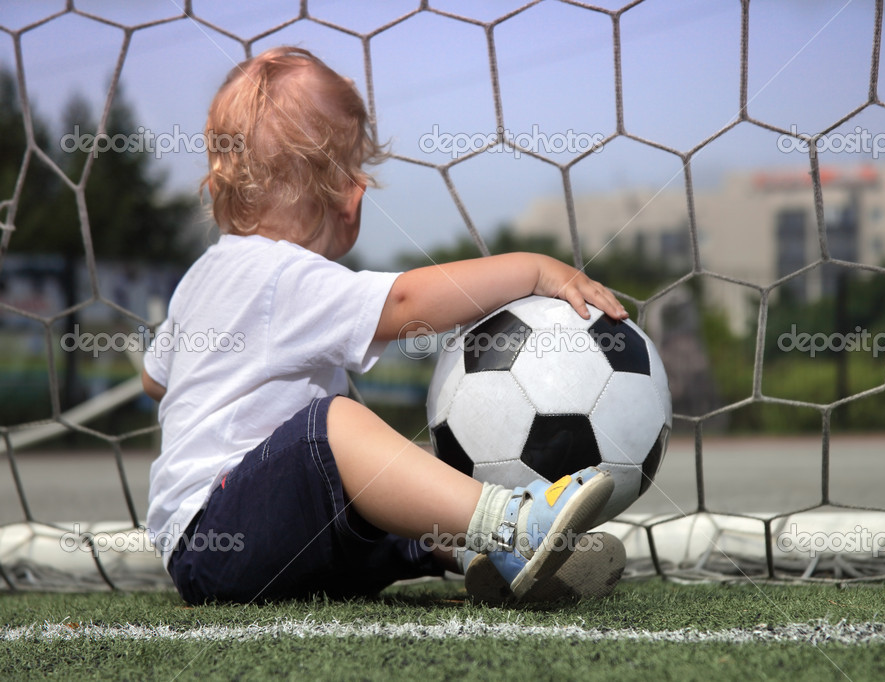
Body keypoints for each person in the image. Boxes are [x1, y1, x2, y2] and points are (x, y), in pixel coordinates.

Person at [142, 46, 627, 605]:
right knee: (335, 426)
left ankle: (487, 555)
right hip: (223, 537)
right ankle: (510, 526)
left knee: (379, 490)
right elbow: (404, 303)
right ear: (350, 195)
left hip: (241, 549)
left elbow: (157, 380)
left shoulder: (202, 276)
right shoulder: (285, 275)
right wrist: (535, 269)